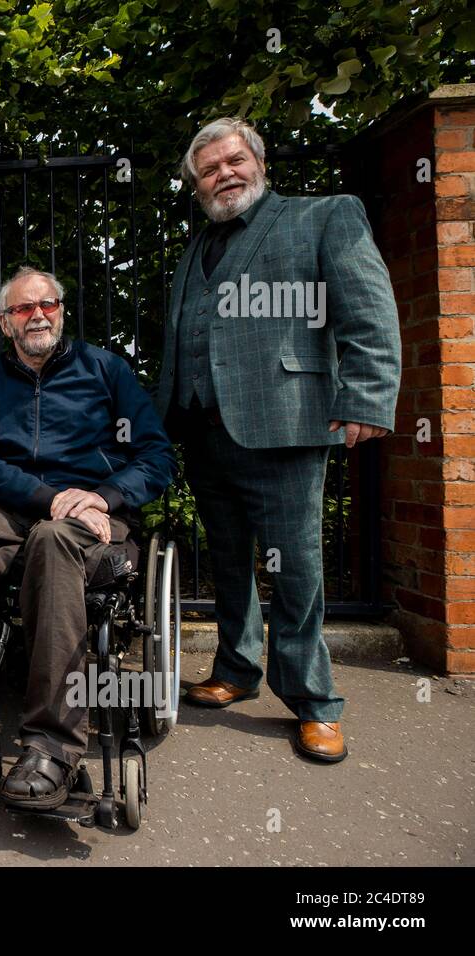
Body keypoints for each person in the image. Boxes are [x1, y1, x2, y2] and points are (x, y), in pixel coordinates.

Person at [157, 117, 401, 762]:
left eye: (233, 161)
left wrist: (367, 398)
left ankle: (316, 703)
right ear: (196, 183)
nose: (223, 175)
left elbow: (368, 309)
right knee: (231, 564)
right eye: (208, 170)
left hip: (288, 425)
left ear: (259, 162)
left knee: (295, 570)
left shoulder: (323, 217)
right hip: (204, 431)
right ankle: (237, 670)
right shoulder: (198, 245)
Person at [0, 266, 175, 809]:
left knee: (55, 540)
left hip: (92, 517)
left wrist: (104, 496)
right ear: (4, 322)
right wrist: (45, 497)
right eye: (23, 308)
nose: (37, 314)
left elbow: (156, 457)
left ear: (61, 310)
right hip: (17, 509)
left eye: (48, 304)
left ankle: (53, 744)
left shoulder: (106, 370)